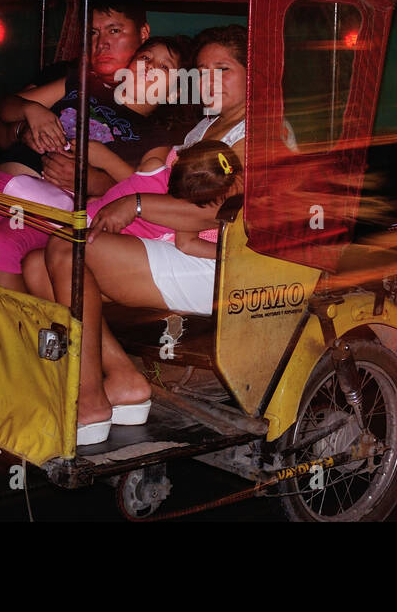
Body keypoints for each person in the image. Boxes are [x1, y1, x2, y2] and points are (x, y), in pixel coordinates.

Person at [28, 24, 250, 443]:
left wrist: (136, 205)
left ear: (253, 76)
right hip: (175, 243)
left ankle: (89, 398)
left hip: (215, 265)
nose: (208, 82)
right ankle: (125, 380)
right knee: (37, 265)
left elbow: (213, 212)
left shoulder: (254, 135)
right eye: (202, 71)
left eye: (223, 70)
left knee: (70, 248)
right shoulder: (203, 131)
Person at [0, 3, 185, 292]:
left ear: (176, 89)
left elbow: (143, 187)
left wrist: (101, 159)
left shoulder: (156, 136)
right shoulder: (84, 84)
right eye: (146, 57)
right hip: (3, 182)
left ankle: (8, 334)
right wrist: (31, 112)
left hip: (56, 204)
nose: (150, 67)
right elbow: (5, 108)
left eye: (165, 67)